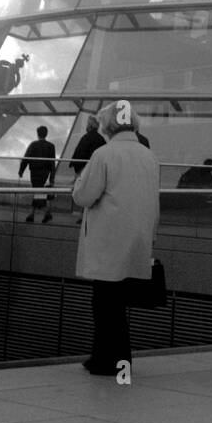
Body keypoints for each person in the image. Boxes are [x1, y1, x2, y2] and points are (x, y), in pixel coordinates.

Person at [73, 103, 160, 375]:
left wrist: (76, 188)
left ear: (107, 125)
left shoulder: (104, 154)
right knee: (117, 303)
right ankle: (118, 357)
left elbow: (84, 195)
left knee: (103, 303)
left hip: (108, 239)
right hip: (137, 238)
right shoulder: (148, 156)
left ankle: (106, 359)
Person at [18, 125, 56, 223]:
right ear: (46, 134)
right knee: (39, 193)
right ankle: (35, 214)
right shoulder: (51, 146)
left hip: (35, 173)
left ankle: (43, 213)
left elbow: (26, 158)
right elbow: (52, 163)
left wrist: (21, 171)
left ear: (37, 134)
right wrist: (51, 178)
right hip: (45, 173)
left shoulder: (33, 145)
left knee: (38, 193)